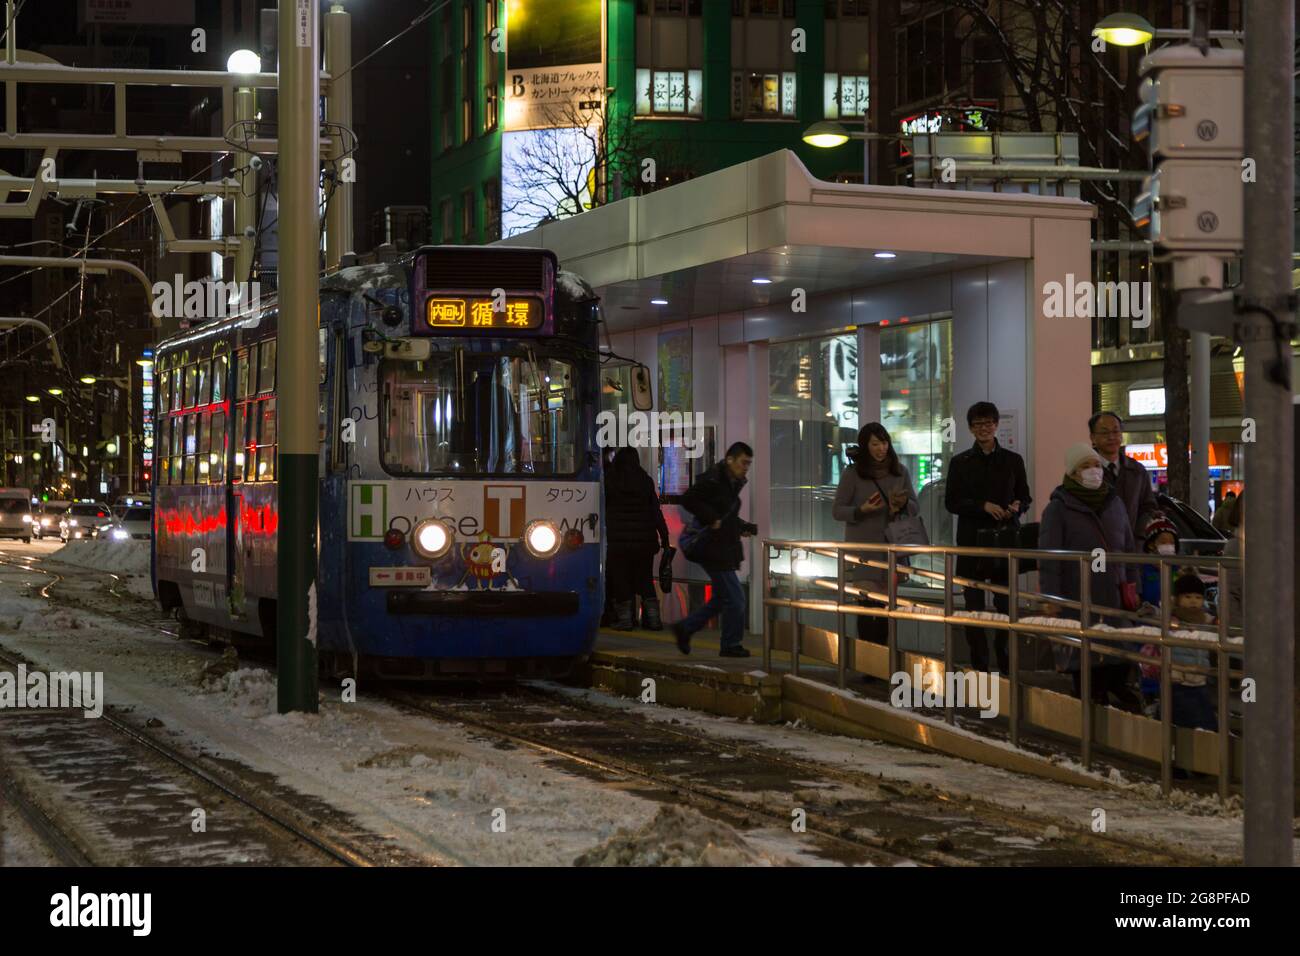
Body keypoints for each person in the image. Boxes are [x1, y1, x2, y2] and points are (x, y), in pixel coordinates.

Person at [1039, 441, 1143, 713]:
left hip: (1114, 594)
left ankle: (1112, 704)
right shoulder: (1058, 509)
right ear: (1073, 473)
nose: (1093, 471)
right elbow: (1050, 557)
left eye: (1096, 465)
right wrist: (1052, 597)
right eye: (1085, 466)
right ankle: (1089, 715)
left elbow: (1129, 548)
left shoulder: (1114, 503)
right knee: (1085, 657)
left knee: (1119, 653)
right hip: (1077, 595)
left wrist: (1133, 585)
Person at [944, 401, 1031, 673]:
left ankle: (1004, 660)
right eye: (978, 424)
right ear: (970, 429)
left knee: (1006, 604)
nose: (984, 429)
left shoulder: (1013, 460)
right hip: (971, 541)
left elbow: (1024, 495)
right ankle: (979, 662)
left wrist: (1018, 506)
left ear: (996, 425)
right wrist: (982, 505)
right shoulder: (960, 462)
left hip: (1003, 540)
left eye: (988, 423)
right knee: (974, 607)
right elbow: (951, 502)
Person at [832, 423, 919, 645]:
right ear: (865, 446)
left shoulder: (900, 471)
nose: (881, 448)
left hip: (891, 549)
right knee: (866, 606)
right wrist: (862, 510)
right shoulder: (853, 473)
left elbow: (915, 507)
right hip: (863, 550)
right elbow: (837, 510)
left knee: (887, 608)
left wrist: (903, 503)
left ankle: (883, 659)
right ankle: (868, 662)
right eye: (875, 444)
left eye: (884, 442)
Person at [672, 442, 758, 658]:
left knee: (721, 598)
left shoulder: (730, 482)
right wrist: (710, 518)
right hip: (713, 549)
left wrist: (742, 527)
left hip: (723, 548)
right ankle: (730, 644)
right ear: (730, 459)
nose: (746, 467)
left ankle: (686, 628)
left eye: (749, 463)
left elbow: (724, 515)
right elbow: (689, 499)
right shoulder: (714, 479)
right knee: (736, 599)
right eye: (743, 462)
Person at [604, 447, 670, 631]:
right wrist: (664, 537)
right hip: (645, 542)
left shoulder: (610, 480)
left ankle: (625, 621)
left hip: (618, 542)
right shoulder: (645, 481)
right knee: (645, 579)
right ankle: (654, 621)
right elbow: (655, 512)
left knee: (621, 579)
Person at [1089, 411, 1159, 539]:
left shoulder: (1137, 471)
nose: (1111, 437)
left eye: (1116, 431)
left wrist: (1138, 536)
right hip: (1097, 548)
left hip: (1132, 550)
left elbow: (1148, 508)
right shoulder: (1085, 470)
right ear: (1093, 438)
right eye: (1105, 432)